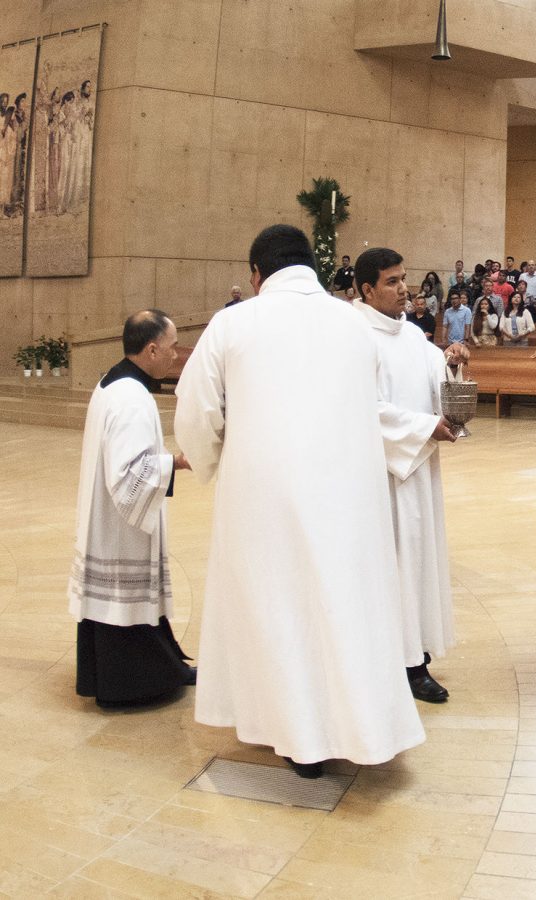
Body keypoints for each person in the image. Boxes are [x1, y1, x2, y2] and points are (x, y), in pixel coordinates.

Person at [174, 224, 424, 778]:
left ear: (256, 274)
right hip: (351, 494)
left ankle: (296, 736)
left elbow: (196, 414)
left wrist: (211, 461)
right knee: (344, 606)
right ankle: (359, 725)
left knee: (278, 610)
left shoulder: (233, 322)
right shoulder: (355, 325)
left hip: (264, 496)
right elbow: (373, 402)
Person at [68, 310, 195, 708]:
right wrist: (174, 461)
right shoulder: (131, 397)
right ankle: (134, 684)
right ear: (152, 348)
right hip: (119, 529)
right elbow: (127, 476)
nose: (176, 356)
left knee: (121, 606)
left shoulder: (114, 381)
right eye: (172, 347)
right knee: (127, 603)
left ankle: (155, 667)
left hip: (104, 522)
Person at [353, 248, 458, 705]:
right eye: (393, 282)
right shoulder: (354, 336)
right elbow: (360, 408)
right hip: (378, 477)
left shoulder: (413, 336)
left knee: (416, 563)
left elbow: (439, 382)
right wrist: (422, 427)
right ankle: (399, 665)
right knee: (390, 566)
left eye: (404, 279)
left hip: (419, 471)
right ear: (366, 290)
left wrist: (453, 363)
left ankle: (416, 654)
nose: (404, 289)